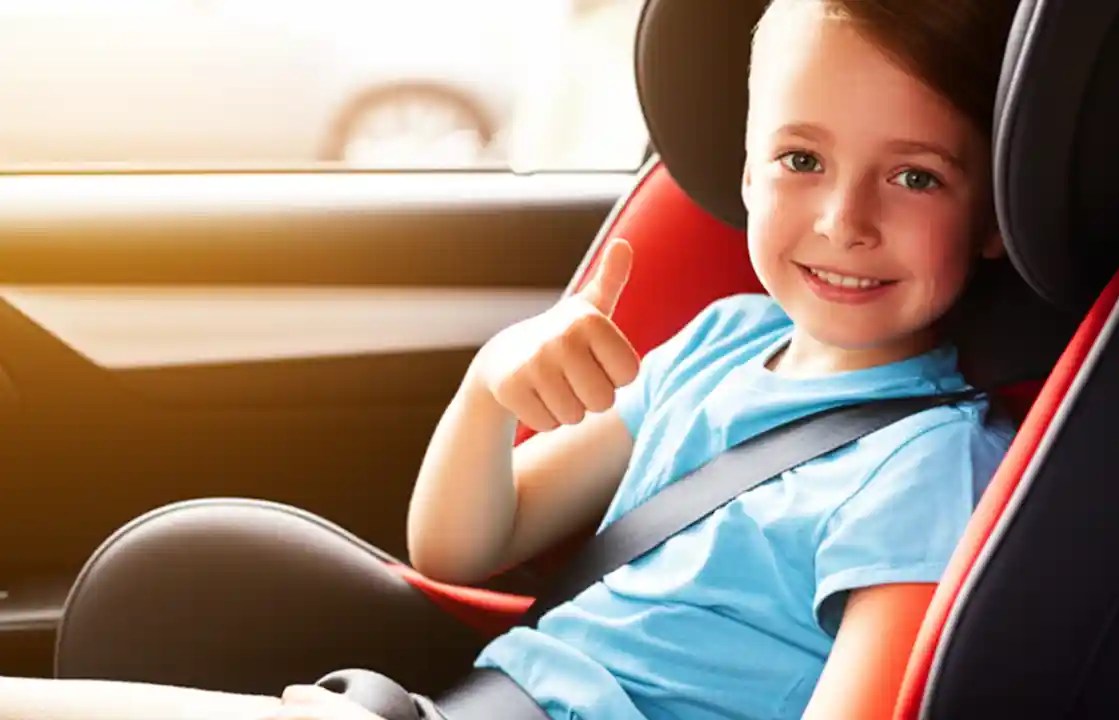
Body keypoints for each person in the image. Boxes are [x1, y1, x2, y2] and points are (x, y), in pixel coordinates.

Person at [1, 0, 1020, 717]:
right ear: (743, 170)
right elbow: (462, 545)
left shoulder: (925, 465)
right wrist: (491, 389)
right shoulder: (721, 345)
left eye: (915, 178)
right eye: (800, 161)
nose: (845, 220)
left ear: (990, 220)